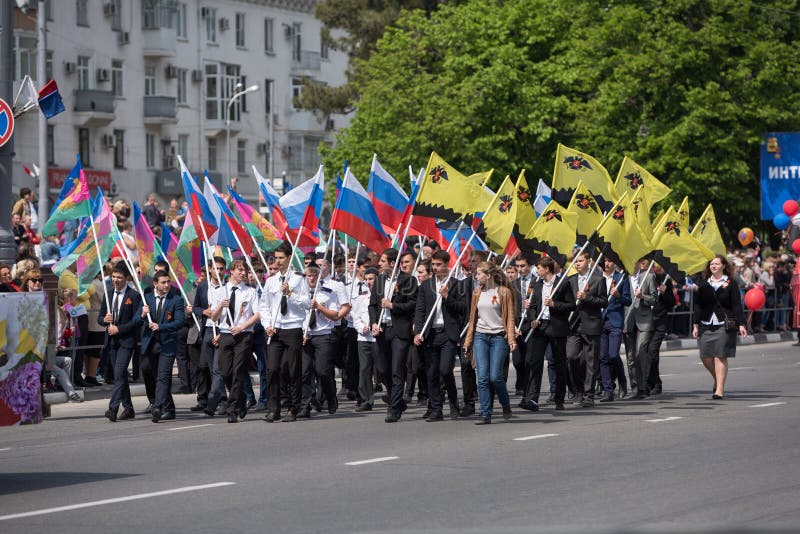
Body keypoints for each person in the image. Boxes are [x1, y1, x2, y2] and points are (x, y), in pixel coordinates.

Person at [413, 250, 467, 421]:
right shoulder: (425, 286)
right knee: (431, 372)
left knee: (445, 370)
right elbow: (420, 311)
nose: (435, 268)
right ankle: (436, 408)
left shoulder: (456, 285)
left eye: (438, 265)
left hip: (448, 334)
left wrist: (447, 297)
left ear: (446, 265)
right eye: (433, 265)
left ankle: (453, 402)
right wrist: (418, 332)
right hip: (430, 334)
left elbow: (462, 308)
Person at [260, 241, 310, 423]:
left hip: (293, 328)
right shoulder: (271, 281)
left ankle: (293, 407)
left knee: (291, 370)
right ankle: (274, 408)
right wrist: (267, 325)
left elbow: (306, 304)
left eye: (282, 258)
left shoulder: (299, 278)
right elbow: (264, 305)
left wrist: (290, 294)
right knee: (273, 369)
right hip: (275, 330)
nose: (278, 262)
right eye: (276, 258)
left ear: (289, 258)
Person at [463, 261, 516, 425]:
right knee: (482, 377)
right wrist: (468, 341)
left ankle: (505, 404)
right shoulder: (477, 293)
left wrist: (512, 338)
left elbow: (510, 318)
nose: (476, 276)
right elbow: (472, 319)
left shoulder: (504, 292)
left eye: (479, 273)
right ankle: (486, 413)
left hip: (499, 337)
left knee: (496, 376)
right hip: (480, 336)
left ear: (489, 275)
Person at [370, 248, 418, 423]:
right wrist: (373, 323)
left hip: (399, 331)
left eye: (382, 261)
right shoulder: (380, 280)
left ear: (392, 263)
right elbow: (372, 305)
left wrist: (392, 306)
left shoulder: (409, 280)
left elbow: (412, 304)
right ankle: (396, 399)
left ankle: (393, 408)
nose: (379, 264)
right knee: (383, 369)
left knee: (398, 369)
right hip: (382, 330)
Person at [520, 256, 574, 412]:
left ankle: (559, 398)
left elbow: (571, 305)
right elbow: (532, 306)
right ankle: (532, 399)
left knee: (558, 363)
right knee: (534, 361)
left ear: (547, 269)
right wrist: (532, 320)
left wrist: (554, 304)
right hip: (540, 327)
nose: (537, 271)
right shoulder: (537, 284)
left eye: (539, 268)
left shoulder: (562, 283)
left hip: (557, 327)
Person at [210, 259, 261, 423]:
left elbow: (257, 314)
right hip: (225, 334)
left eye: (244, 271)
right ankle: (241, 398)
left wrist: (242, 327)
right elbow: (213, 317)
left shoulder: (250, 291)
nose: (243, 273)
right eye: (239, 270)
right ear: (231, 271)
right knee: (225, 372)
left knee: (238, 371)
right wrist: (220, 307)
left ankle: (232, 409)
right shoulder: (220, 291)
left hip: (243, 334)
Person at [692, 255, 747, 400]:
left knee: (720, 355)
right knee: (705, 355)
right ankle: (717, 378)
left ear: (723, 266)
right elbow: (698, 305)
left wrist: (741, 324)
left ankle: (719, 389)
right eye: (711, 264)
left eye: (716, 263)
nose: (713, 266)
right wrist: (695, 324)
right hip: (706, 324)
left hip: (724, 324)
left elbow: (736, 305)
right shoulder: (704, 284)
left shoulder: (730, 283)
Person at [99, 263, 143, 422]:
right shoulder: (108, 293)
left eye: (119, 277)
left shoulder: (134, 296)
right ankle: (129, 408)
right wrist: (104, 320)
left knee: (119, 373)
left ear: (126, 278)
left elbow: (137, 321)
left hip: (126, 341)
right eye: (114, 277)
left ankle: (113, 408)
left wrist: (120, 329)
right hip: (112, 342)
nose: (116, 280)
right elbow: (100, 317)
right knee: (121, 376)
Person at [141, 270, 186, 422]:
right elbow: (137, 320)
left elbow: (179, 322)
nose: (167, 285)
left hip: (168, 344)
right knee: (153, 374)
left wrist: (161, 327)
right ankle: (170, 408)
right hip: (151, 344)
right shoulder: (147, 299)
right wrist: (142, 314)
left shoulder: (176, 300)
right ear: (155, 284)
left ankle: (157, 407)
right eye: (163, 282)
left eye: (168, 282)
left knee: (163, 376)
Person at [565, 251, 607, 407]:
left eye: (580, 261)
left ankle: (589, 395)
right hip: (574, 325)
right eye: (575, 261)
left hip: (591, 325)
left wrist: (586, 298)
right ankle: (579, 390)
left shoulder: (598, 280)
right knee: (571, 357)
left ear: (588, 262)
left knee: (591, 361)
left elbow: (603, 302)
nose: (577, 264)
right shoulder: (570, 280)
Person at [623, 257, 658, 399]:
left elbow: (655, 299)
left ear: (639, 263)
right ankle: (635, 388)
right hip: (628, 321)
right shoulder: (623, 279)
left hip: (644, 321)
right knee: (630, 357)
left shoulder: (648, 277)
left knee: (640, 353)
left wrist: (643, 296)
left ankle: (643, 388)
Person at [353, 267, 378, 411]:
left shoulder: (382, 295)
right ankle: (366, 400)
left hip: (378, 338)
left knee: (382, 368)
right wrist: (361, 327)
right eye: (366, 279)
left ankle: (394, 395)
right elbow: (355, 317)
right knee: (364, 369)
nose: (368, 282)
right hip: (363, 338)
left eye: (371, 279)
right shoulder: (360, 296)